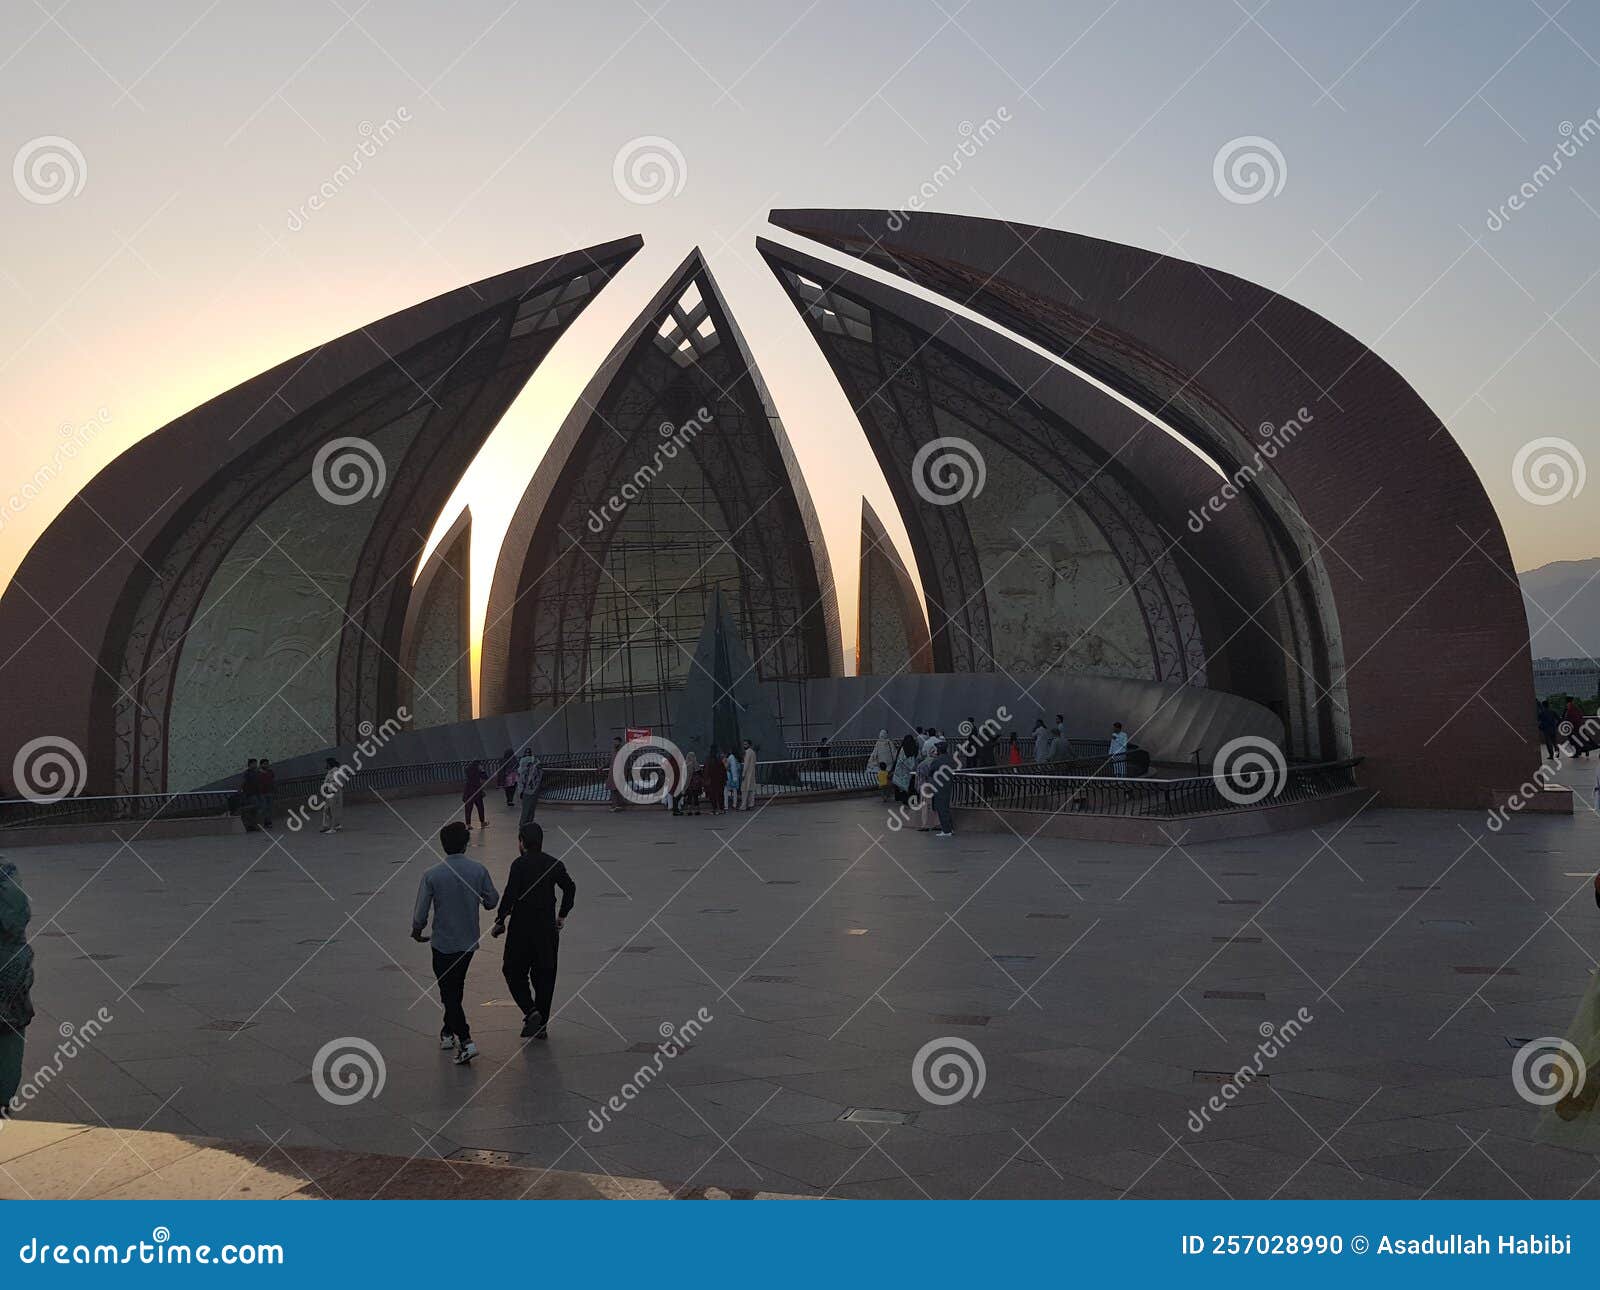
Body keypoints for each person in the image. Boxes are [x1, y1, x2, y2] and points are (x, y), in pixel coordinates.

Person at [412, 821, 499, 1064]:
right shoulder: (478, 870)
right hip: (468, 941)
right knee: (455, 988)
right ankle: (447, 1032)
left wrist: (417, 930)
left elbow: (421, 911)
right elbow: (492, 900)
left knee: (448, 992)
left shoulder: (432, 875)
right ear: (465, 844)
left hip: (442, 942)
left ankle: (466, 1040)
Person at [492, 822, 576, 1040]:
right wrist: (562, 914)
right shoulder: (554, 864)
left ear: (521, 842)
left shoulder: (519, 865)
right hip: (547, 929)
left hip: (521, 929)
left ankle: (531, 1011)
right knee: (545, 975)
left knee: (512, 971)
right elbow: (570, 888)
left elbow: (510, 894)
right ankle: (541, 1025)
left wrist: (500, 919)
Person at [0, 861, 34, 1118]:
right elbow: (17, 919)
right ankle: (3, 1098)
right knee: (10, 1029)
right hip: (12, 965)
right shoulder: (7, 871)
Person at [929, 741, 957, 837]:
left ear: (939, 750)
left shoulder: (937, 760)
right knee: (946, 808)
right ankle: (950, 828)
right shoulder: (950, 759)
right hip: (948, 785)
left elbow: (930, 771)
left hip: (939, 786)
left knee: (941, 808)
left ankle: (946, 830)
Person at [319, 757, 345, 833]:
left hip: (334, 793)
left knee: (333, 810)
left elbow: (338, 783)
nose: (325, 765)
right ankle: (328, 826)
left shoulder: (336, 771)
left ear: (330, 764)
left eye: (326, 763)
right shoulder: (330, 772)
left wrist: (329, 787)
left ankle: (333, 827)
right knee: (327, 810)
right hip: (329, 793)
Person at [913, 745, 936, 831]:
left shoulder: (922, 764)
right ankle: (936, 824)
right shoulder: (937, 763)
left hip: (924, 787)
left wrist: (917, 788)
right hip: (935, 786)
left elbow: (918, 778)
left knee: (925, 806)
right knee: (934, 806)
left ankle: (925, 824)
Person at [518, 752, 543, 827]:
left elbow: (521, 780)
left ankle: (524, 825)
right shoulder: (536, 764)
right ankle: (528, 824)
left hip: (527, 791)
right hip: (534, 790)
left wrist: (521, 791)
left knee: (526, 809)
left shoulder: (523, 765)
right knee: (531, 810)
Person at [462, 759, 488, 830]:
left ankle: (468, 824)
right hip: (476, 791)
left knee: (468, 808)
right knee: (480, 807)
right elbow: (485, 777)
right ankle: (482, 822)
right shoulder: (477, 770)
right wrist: (482, 770)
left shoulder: (467, 769)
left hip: (468, 792)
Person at [891, 735, 917, 804]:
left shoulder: (902, 749)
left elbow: (899, 759)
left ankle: (903, 799)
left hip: (902, 770)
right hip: (911, 771)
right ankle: (911, 800)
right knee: (911, 785)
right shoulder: (914, 748)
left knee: (902, 786)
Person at [702, 745, 726, 815]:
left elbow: (706, 771)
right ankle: (721, 809)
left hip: (711, 781)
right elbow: (723, 771)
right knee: (720, 795)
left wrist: (705, 780)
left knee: (713, 796)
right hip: (719, 781)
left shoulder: (708, 760)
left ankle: (715, 809)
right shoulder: (719, 760)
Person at [239, 759, 262, 832]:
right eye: (254, 764)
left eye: (256, 763)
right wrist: (241, 789)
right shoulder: (247, 773)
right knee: (253, 808)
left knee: (255, 810)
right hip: (250, 793)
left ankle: (253, 825)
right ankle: (251, 825)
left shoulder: (256, 772)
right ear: (250, 764)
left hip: (257, 792)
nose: (256, 765)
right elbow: (243, 782)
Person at [608, 736, 626, 811]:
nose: (615, 743)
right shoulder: (613, 750)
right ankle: (616, 805)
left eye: (616, 742)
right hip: (612, 772)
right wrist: (601, 767)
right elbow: (610, 760)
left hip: (619, 772)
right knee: (613, 789)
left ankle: (617, 805)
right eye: (614, 742)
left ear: (620, 742)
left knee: (617, 789)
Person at [257, 758, 276, 829]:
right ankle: (265, 821)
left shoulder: (270, 772)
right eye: (265, 764)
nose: (266, 765)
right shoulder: (258, 773)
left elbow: (273, 781)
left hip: (269, 791)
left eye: (267, 763)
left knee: (269, 808)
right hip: (262, 793)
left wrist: (274, 789)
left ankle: (268, 821)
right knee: (264, 808)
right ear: (261, 764)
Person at [740, 740, 757, 811]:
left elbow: (746, 764)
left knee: (744, 790)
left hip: (747, 774)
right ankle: (751, 804)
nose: (744, 746)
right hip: (752, 773)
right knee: (751, 790)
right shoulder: (753, 752)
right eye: (744, 744)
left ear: (749, 745)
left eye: (746, 744)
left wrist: (743, 774)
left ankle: (743, 806)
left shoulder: (747, 753)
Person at [724, 747, 741, 812]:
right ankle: (734, 804)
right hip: (734, 777)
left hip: (729, 777)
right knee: (734, 791)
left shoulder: (730, 758)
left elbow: (727, 767)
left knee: (726, 791)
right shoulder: (736, 760)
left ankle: (726, 805)